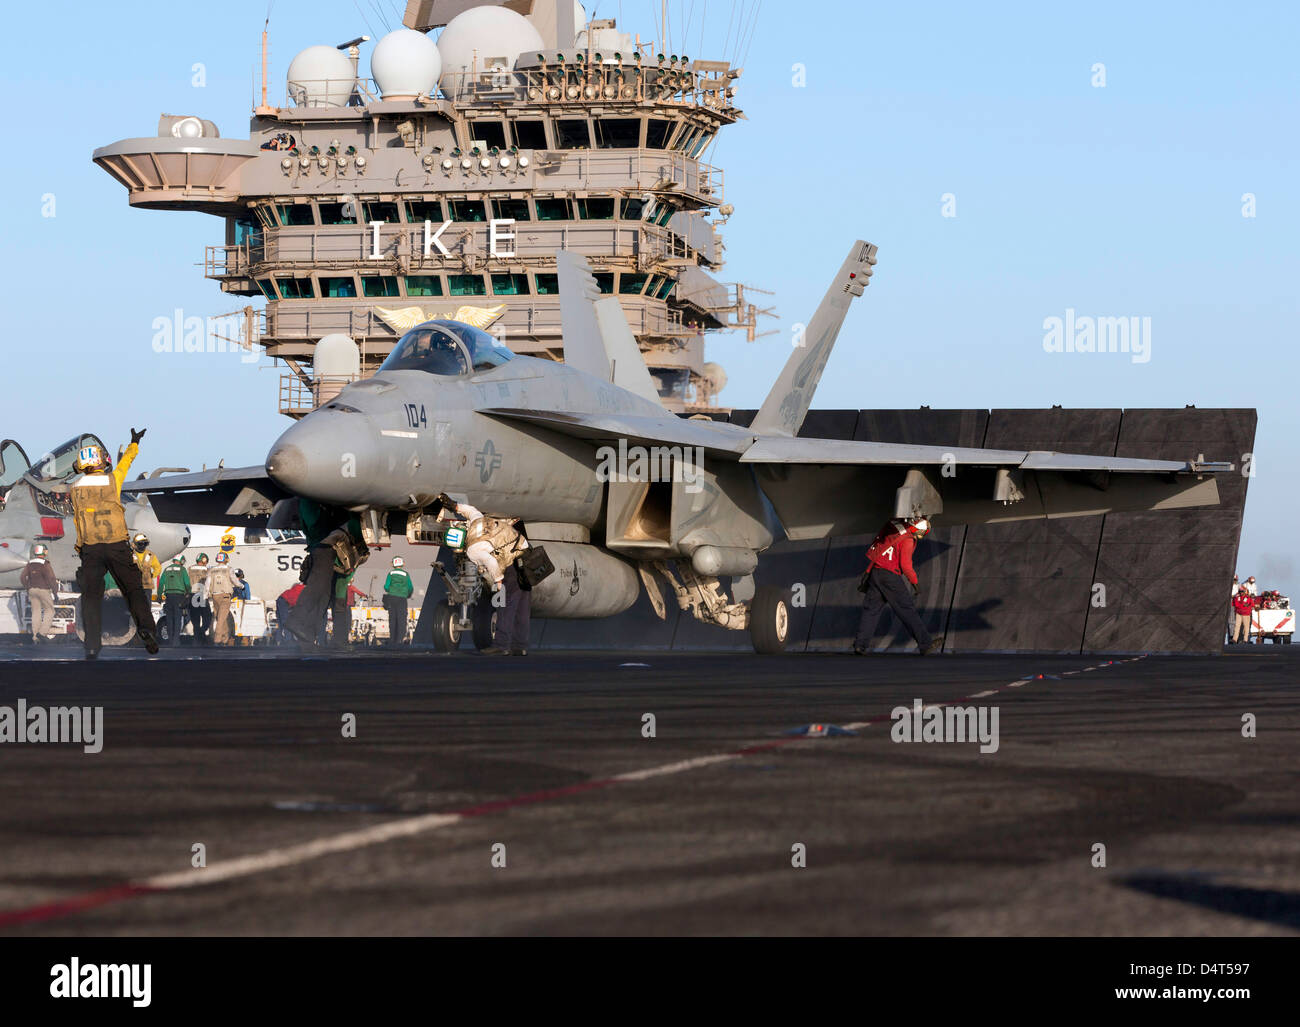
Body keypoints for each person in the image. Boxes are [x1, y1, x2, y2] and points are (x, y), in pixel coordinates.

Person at [68, 431, 159, 659]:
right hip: (117, 544)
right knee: (134, 590)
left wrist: (81, 550)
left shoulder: (75, 488)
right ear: (100, 461)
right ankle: (147, 630)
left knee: (90, 597)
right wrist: (134, 443)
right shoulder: (113, 479)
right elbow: (126, 461)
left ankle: (91, 645)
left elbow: (78, 521)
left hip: (91, 548)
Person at [438, 494, 530, 656]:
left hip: (510, 565)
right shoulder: (476, 520)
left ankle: (501, 645)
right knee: (522, 607)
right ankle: (520, 646)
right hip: (526, 553)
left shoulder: (472, 550)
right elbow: (470, 510)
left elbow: (491, 562)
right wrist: (454, 506)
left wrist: (499, 581)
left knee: (504, 606)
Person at [853, 516, 943, 656]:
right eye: (923, 532)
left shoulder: (894, 530)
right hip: (890, 577)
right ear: (918, 530)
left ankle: (860, 645)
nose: (922, 536)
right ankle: (925, 644)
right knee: (907, 609)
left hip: (876, 573)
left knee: (871, 611)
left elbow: (879, 552)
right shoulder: (907, 540)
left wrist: (868, 572)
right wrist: (915, 582)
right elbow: (905, 565)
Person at [284, 499, 369, 646]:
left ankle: (308, 634)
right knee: (318, 586)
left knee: (323, 595)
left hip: (320, 546)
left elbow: (307, 527)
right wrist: (361, 546)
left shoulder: (307, 501)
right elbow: (353, 525)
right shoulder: (325, 503)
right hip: (325, 547)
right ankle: (296, 621)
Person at [20, 543, 59, 643]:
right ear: (43, 552)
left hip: (32, 590)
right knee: (49, 611)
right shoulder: (45, 564)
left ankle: (35, 637)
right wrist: (55, 593)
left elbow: (22, 577)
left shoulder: (30, 563)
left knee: (36, 612)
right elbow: (51, 579)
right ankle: (42, 633)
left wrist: (28, 587)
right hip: (43, 590)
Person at [158, 556, 191, 647]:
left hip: (168, 596)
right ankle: (176, 641)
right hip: (179, 596)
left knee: (169, 619)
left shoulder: (167, 569)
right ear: (180, 561)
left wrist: (159, 596)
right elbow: (187, 583)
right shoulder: (182, 569)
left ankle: (170, 640)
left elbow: (161, 583)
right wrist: (188, 592)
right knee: (177, 619)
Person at [207, 552, 238, 645]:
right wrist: (241, 586)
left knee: (220, 617)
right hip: (225, 596)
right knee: (221, 618)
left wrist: (205, 594)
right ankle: (217, 639)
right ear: (226, 559)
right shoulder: (229, 569)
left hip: (215, 595)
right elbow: (235, 580)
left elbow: (207, 583)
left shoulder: (212, 570)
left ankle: (225, 637)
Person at [383, 557, 414, 645]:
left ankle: (392, 639)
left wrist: (391, 591)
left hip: (392, 598)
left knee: (392, 618)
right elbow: (410, 587)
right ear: (403, 564)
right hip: (402, 599)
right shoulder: (406, 574)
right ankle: (400, 639)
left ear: (392, 564)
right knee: (401, 619)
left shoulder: (391, 573)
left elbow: (386, 586)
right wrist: (407, 594)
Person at [188, 553, 212, 645]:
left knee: (195, 620)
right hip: (202, 595)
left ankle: (196, 640)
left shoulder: (189, 569)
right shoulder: (207, 570)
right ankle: (202, 633)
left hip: (193, 595)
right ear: (204, 560)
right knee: (207, 617)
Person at [131, 532, 162, 601]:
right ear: (134, 544)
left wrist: (152, 575)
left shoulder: (150, 555)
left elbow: (158, 567)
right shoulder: (130, 555)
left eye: (145, 544)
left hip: (147, 586)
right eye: (140, 544)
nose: (143, 546)